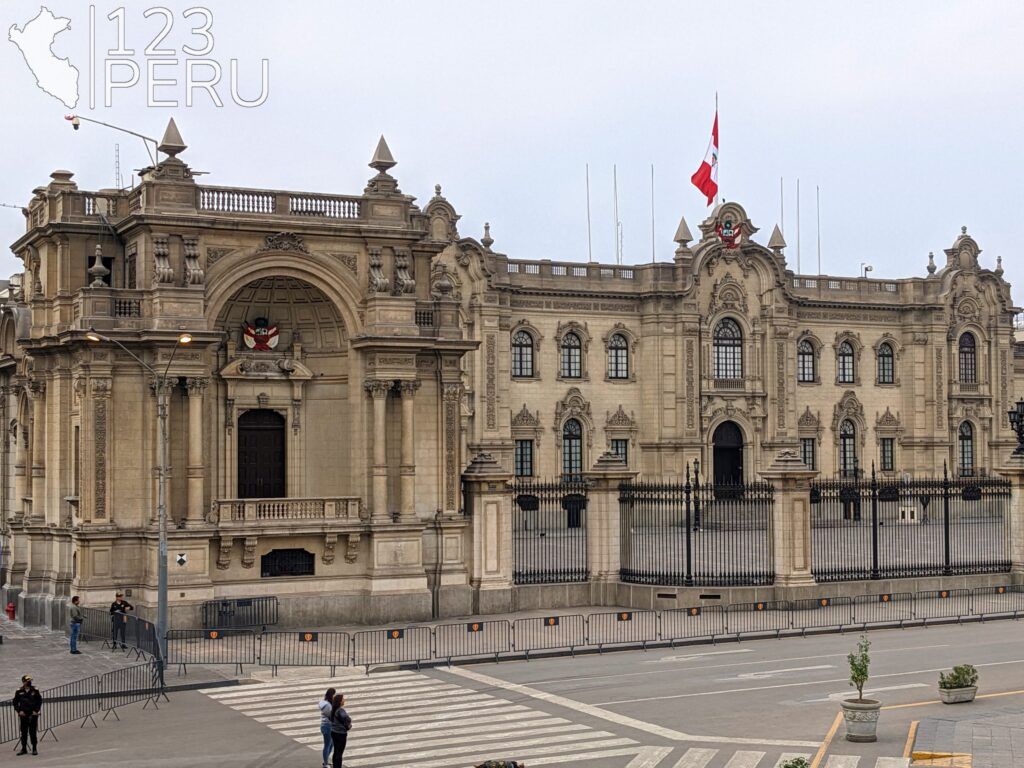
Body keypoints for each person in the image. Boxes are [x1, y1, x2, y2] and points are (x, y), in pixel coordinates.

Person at [13, 674, 42, 756]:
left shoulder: (35, 690)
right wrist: (19, 711)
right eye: (27, 681)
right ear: (23, 682)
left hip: (33, 714)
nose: (29, 682)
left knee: (33, 732)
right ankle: (24, 749)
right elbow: (15, 702)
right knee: (24, 732)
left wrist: (36, 710)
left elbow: (39, 701)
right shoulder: (19, 691)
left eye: (30, 681)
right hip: (23, 715)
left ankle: (34, 748)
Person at [329, 692, 352, 768]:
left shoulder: (333, 710)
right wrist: (349, 722)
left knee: (336, 751)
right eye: (343, 699)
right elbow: (346, 718)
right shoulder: (340, 710)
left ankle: (335, 766)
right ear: (340, 702)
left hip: (334, 732)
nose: (344, 700)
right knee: (340, 753)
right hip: (341, 734)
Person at [318, 687, 336, 768]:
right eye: (334, 695)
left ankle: (326, 761)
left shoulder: (326, 703)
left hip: (327, 726)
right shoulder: (328, 705)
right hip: (327, 726)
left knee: (331, 744)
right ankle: (325, 764)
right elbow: (330, 717)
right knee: (327, 744)